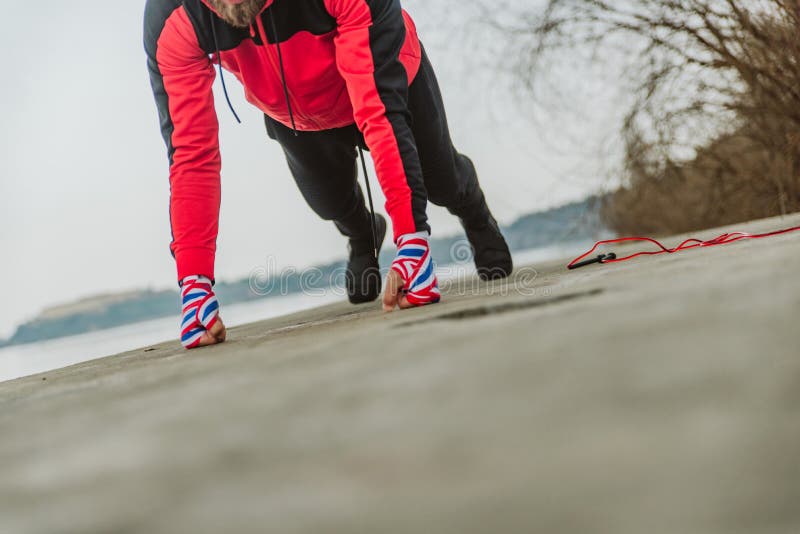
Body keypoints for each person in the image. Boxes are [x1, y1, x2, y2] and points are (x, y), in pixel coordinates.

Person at [144, 0, 513, 349]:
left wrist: (412, 240)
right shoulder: (173, 19)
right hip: (295, 112)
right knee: (329, 203)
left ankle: (475, 213)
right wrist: (195, 286)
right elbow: (192, 155)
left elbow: (379, 111)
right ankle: (362, 232)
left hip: (384, 73)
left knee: (442, 182)